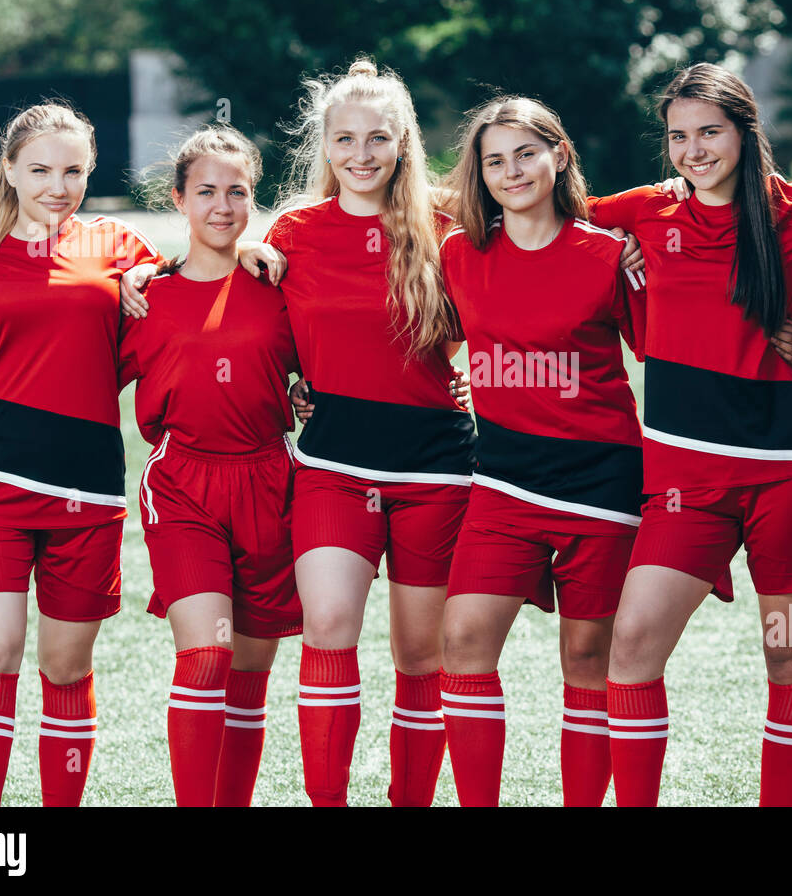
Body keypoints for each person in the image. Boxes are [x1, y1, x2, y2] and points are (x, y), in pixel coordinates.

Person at [589, 64, 792, 806]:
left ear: (746, 133)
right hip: (684, 481)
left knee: (789, 657)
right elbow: (539, 209)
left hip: (788, 474)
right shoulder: (647, 213)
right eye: (678, 136)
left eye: (709, 132)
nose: (693, 150)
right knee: (632, 647)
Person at [0, 102, 161, 807]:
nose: (59, 186)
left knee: (64, 666)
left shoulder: (119, 246)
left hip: (86, 488)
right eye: (42, 170)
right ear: (11, 171)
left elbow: (197, 294)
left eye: (75, 170)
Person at [265, 59, 474, 807]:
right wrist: (287, 380)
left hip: (437, 468)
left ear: (403, 142)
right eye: (345, 139)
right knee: (326, 626)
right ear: (323, 145)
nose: (361, 154)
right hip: (333, 464)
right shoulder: (293, 231)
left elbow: (529, 287)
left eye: (377, 138)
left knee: (423, 654)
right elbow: (254, 330)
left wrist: (479, 365)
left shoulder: (449, 224)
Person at [437, 96, 647, 806]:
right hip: (502, 482)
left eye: (527, 153)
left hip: (601, 481)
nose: (511, 171)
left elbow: (669, 348)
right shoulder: (458, 251)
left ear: (559, 155)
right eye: (494, 160)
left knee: (588, 659)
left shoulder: (611, 253)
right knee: (463, 643)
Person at [117, 125, 302, 806]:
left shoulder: (280, 286)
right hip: (185, 486)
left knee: (250, 672)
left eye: (237, 192)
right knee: (206, 656)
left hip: (270, 483)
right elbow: (69, 372)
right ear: (178, 199)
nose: (222, 206)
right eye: (205, 192)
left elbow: (337, 358)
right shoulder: (142, 298)